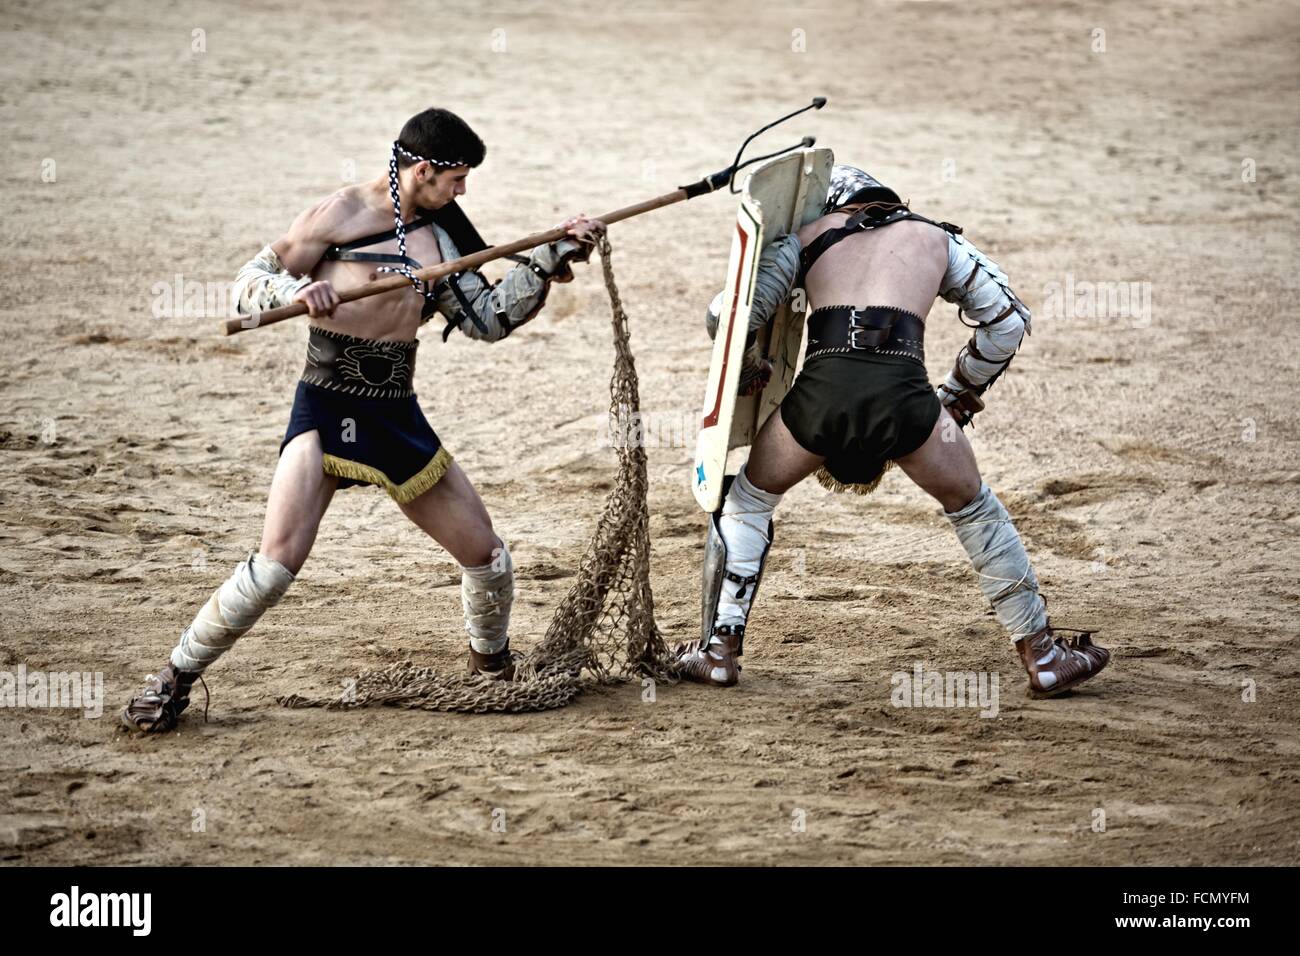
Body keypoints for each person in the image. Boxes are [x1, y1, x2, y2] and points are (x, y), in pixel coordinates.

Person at [121, 107, 605, 733]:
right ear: (423, 169)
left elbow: (487, 320)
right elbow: (249, 283)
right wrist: (292, 295)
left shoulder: (441, 237)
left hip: (394, 413)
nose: (464, 191)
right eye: (457, 178)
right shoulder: (337, 216)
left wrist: (551, 253)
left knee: (488, 558)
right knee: (275, 564)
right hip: (327, 404)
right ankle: (173, 678)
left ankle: (493, 675)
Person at [675, 165, 1109, 698]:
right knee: (975, 509)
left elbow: (727, 315)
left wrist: (746, 373)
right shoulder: (936, 238)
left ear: (831, 206)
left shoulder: (806, 238)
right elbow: (1008, 322)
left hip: (819, 400)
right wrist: (954, 397)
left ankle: (718, 652)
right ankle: (1042, 657)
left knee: (748, 499)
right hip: (907, 401)